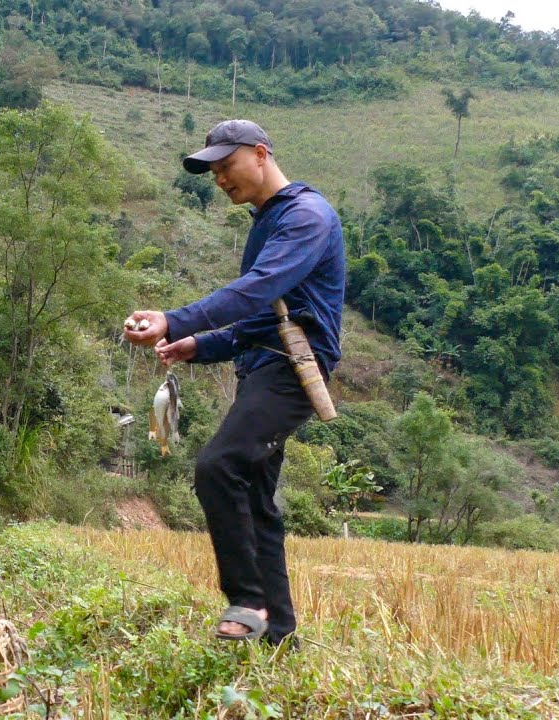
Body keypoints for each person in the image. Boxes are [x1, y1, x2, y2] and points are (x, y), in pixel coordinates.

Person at [124, 119, 345, 645]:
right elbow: (259, 321)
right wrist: (197, 346)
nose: (220, 179)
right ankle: (280, 638)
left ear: (261, 154)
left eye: (227, 166)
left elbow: (255, 290)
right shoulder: (267, 221)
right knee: (257, 501)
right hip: (262, 367)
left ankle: (246, 600)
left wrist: (175, 319)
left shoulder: (305, 217)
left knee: (218, 466)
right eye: (214, 171)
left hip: (291, 372)